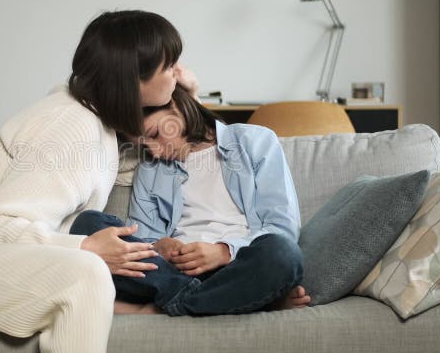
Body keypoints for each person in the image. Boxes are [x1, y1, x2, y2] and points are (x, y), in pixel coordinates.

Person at [0, 10, 197, 353]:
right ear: (132, 78)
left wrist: (187, 100)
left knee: (89, 277)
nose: (177, 73)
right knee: (86, 273)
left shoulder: (93, 121)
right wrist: (86, 247)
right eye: (170, 65)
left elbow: (124, 167)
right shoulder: (71, 126)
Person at [70, 86, 310, 316]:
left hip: (237, 267)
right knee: (87, 224)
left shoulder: (255, 141)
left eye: (155, 134)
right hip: (171, 274)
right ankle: (239, 301)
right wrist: (160, 246)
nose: (156, 151)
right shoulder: (152, 168)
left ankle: (173, 305)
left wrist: (224, 251)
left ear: (176, 105)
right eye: (144, 146)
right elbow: (141, 243)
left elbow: (283, 228)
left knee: (283, 254)